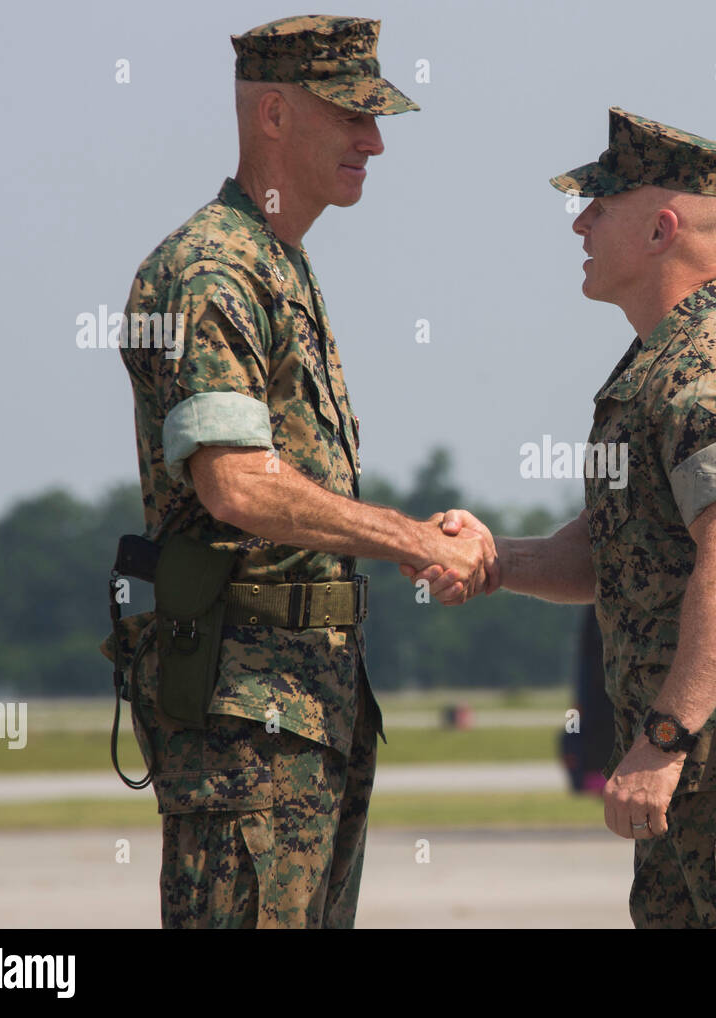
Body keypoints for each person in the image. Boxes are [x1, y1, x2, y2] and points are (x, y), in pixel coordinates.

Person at [109, 15, 493, 929]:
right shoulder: (211, 269)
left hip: (306, 704)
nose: (376, 141)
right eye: (352, 117)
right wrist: (409, 538)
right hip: (247, 718)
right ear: (274, 114)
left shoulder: (279, 261)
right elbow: (236, 486)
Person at [409, 108, 716, 928]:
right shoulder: (660, 369)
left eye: (600, 205)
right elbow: (617, 548)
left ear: (660, 230)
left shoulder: (712, 376)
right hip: (695, 767)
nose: (580, 222)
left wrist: (666, 740)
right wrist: (497, 560)